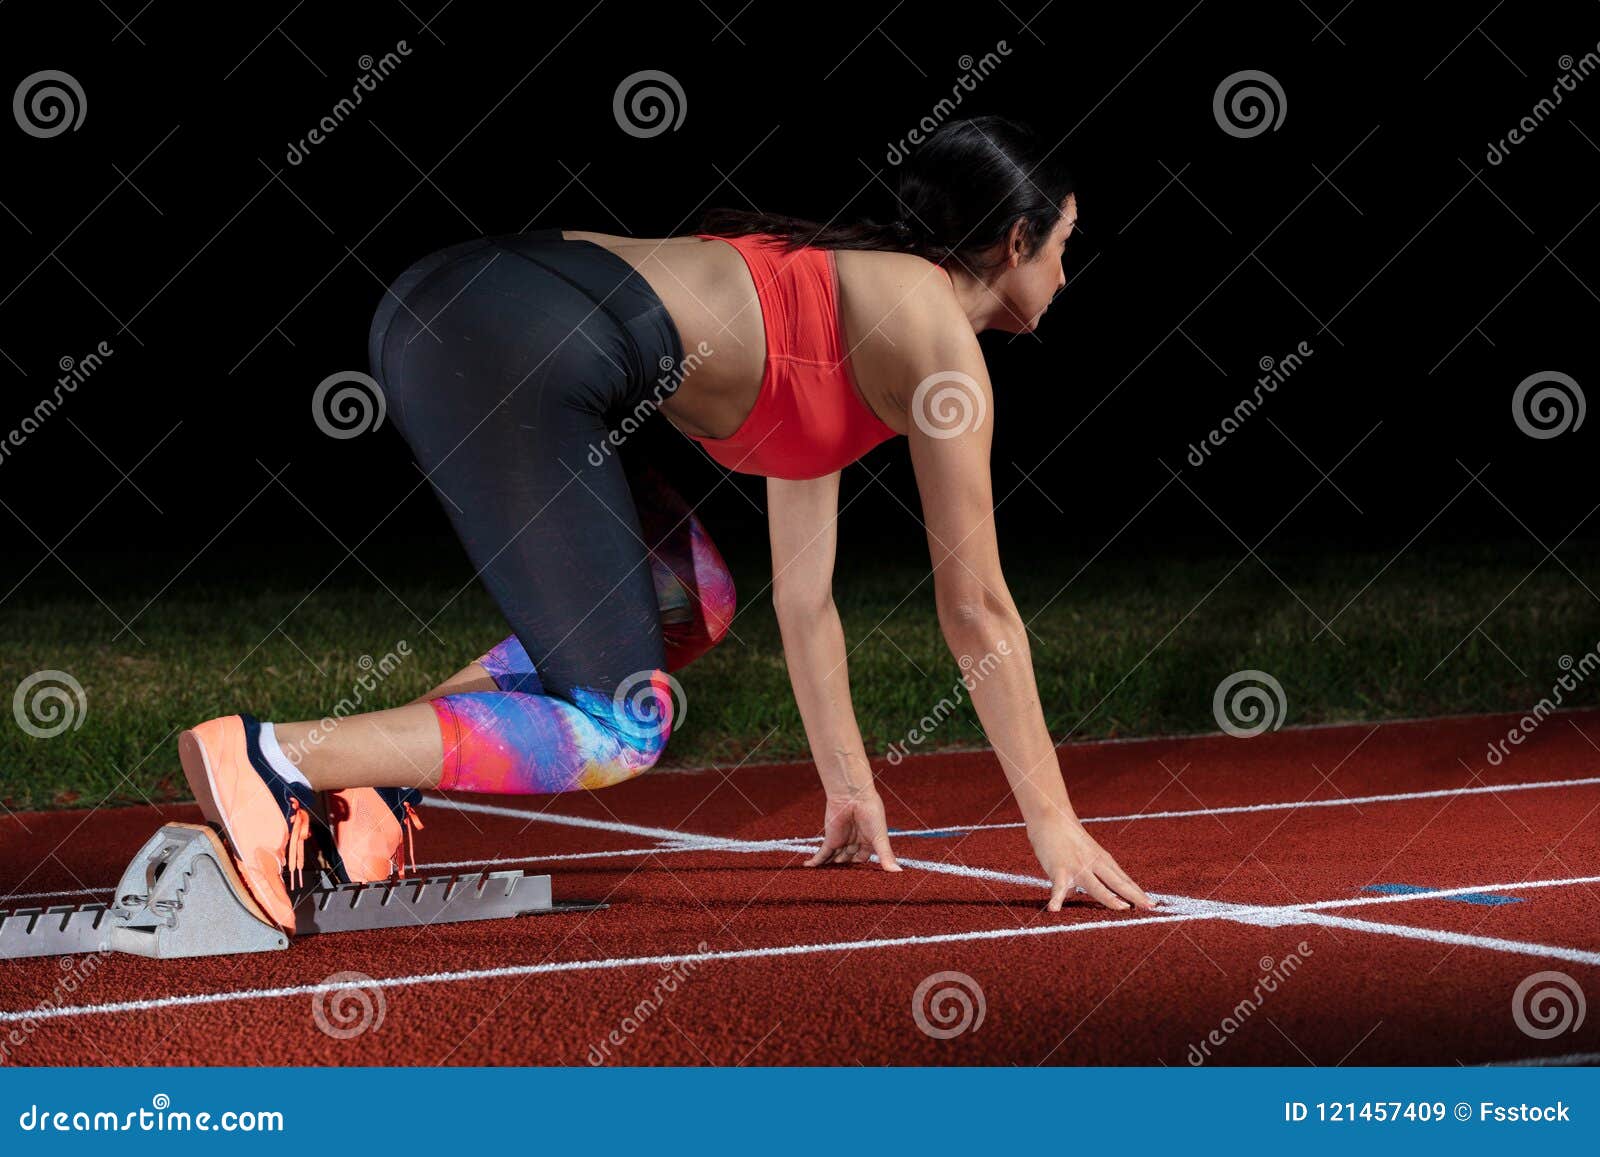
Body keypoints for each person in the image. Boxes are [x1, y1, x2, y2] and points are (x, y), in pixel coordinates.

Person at [177, 115, 1155, 933]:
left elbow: (804, 599)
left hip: (462, 305)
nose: (1065, 276)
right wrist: (1055, 825)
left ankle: (374, 784)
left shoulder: (857, 298)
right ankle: (277, 757)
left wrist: (851, 785)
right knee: (619, 728)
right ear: (1016, 242)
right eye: (1065, 246)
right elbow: (977, 610)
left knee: (692, 600)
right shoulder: (938, 344)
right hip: (512, 338)